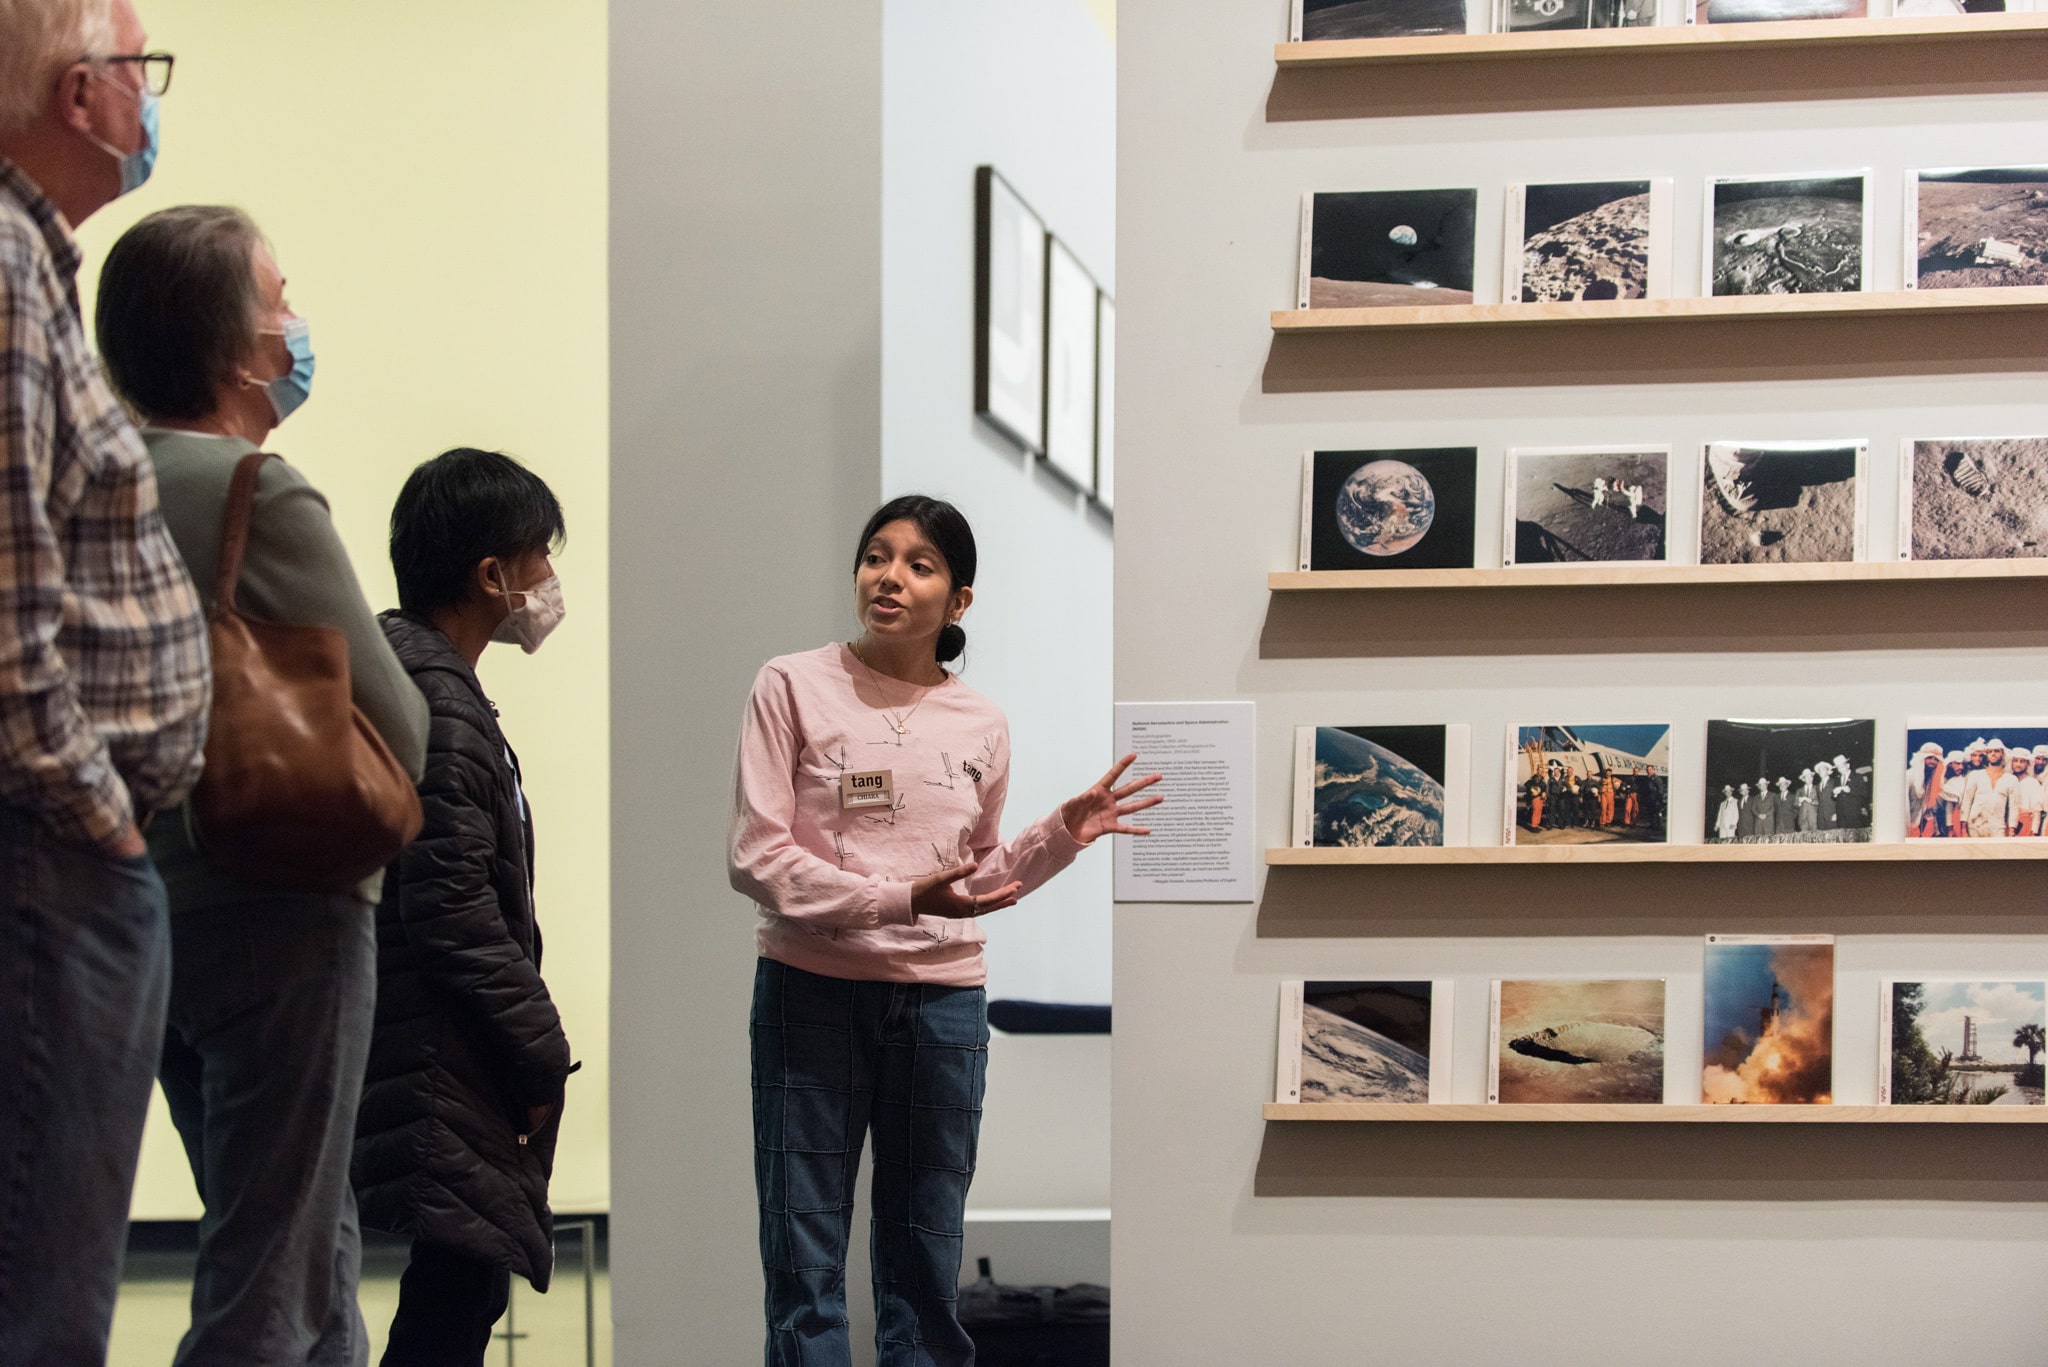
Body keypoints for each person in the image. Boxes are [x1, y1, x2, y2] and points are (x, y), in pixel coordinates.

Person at [95, 204, 430, 1364]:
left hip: (138, 906)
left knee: (306, 1237)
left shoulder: (86, 483)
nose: (297, 321)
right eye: (280, 298)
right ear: (238, 349)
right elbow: (399, 724)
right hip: (281, 911)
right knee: (271, 1271)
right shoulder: (254, 487)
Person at [729, 495, 1162, 1366]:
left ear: (958, 600)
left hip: (942, 1008)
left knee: (926, 1260)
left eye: (919, 564)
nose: (889, 577)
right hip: (810, 993)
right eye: (876, 556)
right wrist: (896, 900)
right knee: (803, 1255)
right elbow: (756, 856)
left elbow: (976, 883)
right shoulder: (791, 684)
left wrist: (1059, 835)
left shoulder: (983, 722)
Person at [0, 5, 212, 1361]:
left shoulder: (36, 263)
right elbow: (9, 593)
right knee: (47, 1285)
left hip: (64, 860)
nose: (155, 100)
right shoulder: (8, 268)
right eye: (145, 73)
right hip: (53, 860)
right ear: (83, 95)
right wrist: (98, 810)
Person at [354, 449, 577, 1366]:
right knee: (455, 1294)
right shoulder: (441, 700)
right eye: (539, 559)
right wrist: (540, 1050)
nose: (549, 583)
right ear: (492, 575)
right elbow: (450, 907)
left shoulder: (415, 677)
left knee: (459, 1287)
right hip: (446, 1045)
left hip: (433, 1039)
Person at [1907, 742, 1944, 837]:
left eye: (1936, 759)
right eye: (1929, 758)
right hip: (1907, 828)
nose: (1933, 762)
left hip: (1920, 826)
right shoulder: (1908, 777)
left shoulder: (1931, 780)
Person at [1796, 768, 1819, 835]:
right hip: (1803, 819)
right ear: (1804, 779)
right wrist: (1799, 802)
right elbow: (1795, 804)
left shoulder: (1817, 788)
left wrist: (1811, 801)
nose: (1809, 779)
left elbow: (1820, 801)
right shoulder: (1799, 790)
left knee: (1815, 837)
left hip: (1814, 818)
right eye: (1807, 777)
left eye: (1811, 777)